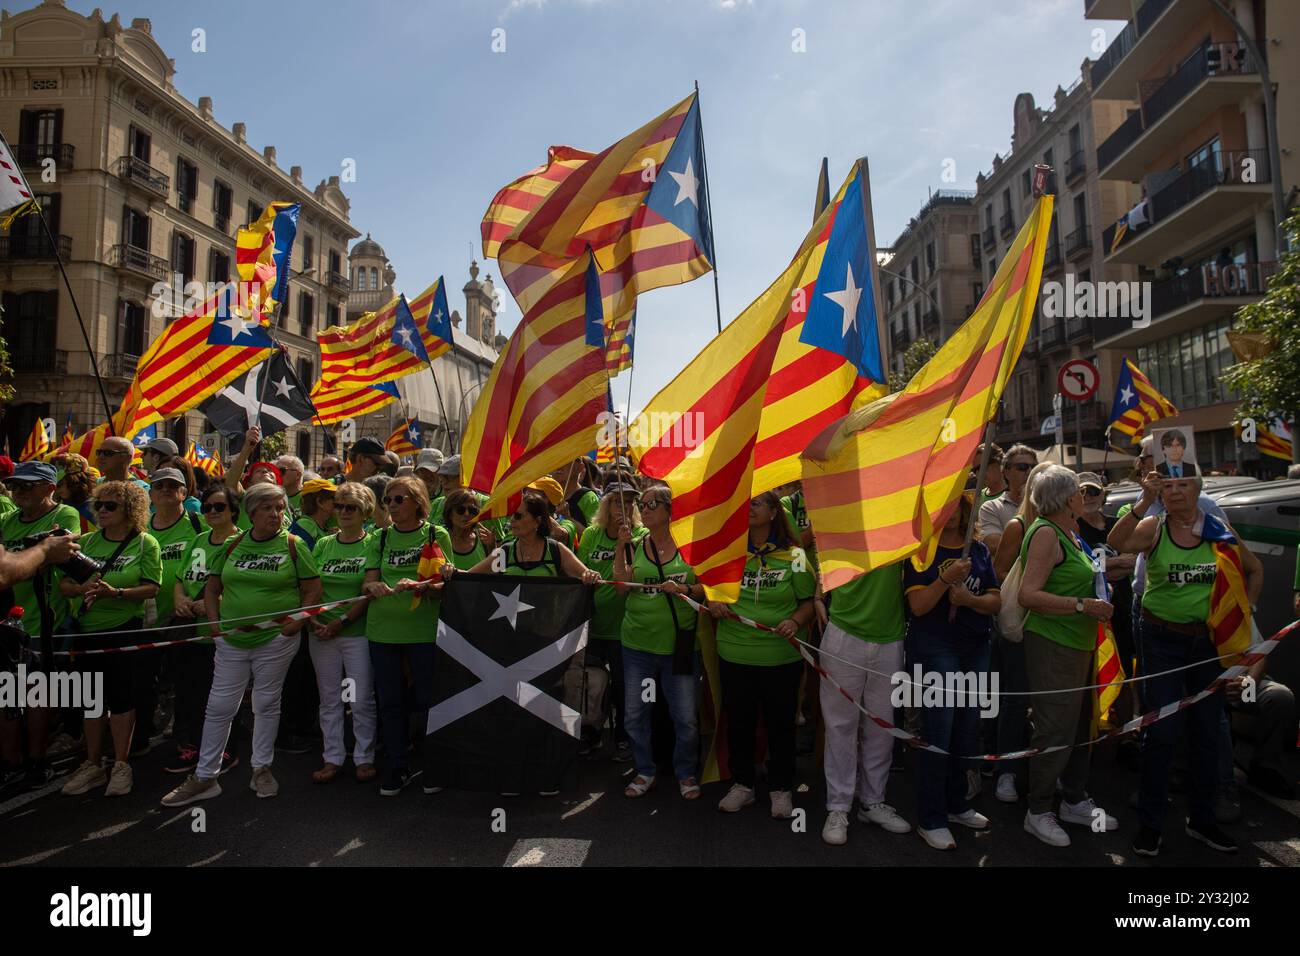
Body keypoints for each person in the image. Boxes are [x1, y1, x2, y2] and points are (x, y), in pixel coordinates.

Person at [1109, 467, 1263, 857]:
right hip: (1160, 641)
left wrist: (1244, 613)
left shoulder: (1218, 530)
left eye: (1183, 484)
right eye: (1169, 485)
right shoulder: (1154, 526)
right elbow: (1117, 541)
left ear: (1198, 490)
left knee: (1207, 734)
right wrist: (1144, 498)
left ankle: (1203, 820)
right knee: (1160, 733)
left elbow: (1253, 569)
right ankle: (1150, 825)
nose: (1175, 492)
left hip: (1206, 646)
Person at [160, 482, 321, 806]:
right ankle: (206, 776)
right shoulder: (232, 546)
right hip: (231, 640)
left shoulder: (293, 546)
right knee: (219, 706)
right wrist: (216, 625)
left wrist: (293, 626)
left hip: (275, 642)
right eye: (267, 508)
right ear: (251, 513)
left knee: (265, 704)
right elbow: (212, 586)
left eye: (279, 508)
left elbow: (313, 590)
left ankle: (261, 769)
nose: (275, 514)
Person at [1016, 464, 1118, 848]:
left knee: (1080, 727)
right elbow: (1028, 595)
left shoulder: (1070, 532)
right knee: (1054, 728)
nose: (1084, 494)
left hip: (1079, 644)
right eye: (1078, 490)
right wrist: (1082, 606)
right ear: (1066, 498)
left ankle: (1074, 798)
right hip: (1053, 643)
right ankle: (1038, 810)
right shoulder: (1045, 532)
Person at [708, 491, 815, 820]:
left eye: (755, 504)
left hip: (780, 658)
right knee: (739, 724)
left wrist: (795, 620)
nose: (748, 509)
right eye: (745, 504)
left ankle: (781, 788)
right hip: (735, 653)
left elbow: (810, 601)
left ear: (773, 512)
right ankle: (743, 784)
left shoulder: (795, 554)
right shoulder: (729, 553)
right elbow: (710, 591)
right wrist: (715, 601)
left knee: (781, 725)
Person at [903, 493, 1000, 850]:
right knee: (938, 731)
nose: (953, 513)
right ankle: (931, 818)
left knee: (967, 728)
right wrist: (945, 581)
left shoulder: (979, 551)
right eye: (945, 506)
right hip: (934, 649)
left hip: (975, 647)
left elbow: (996, 602)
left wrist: (970, 600)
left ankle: (958, 804)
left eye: (959, 505)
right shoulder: (921, 552)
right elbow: (917, 606)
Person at [57, 481, 161, 797]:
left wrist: (115, 593)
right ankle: (92, 763)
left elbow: (152, 588)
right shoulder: (86, 542)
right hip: (87, 631)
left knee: (120, 700)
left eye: (110, 506)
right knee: (92, 700)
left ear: (130, 509)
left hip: (123, 629)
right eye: (99, 505)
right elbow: (64, 584)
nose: (101, 511)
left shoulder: (145, 543)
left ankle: (120, 764)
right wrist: (79, 590)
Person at [362, 476, 452, 795]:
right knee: (390, 701)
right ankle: (398, 766)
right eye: (388, 500)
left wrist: (422, 586)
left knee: (428, 699)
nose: (392, 506)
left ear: (417, 501)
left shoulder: (435, 534)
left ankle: (432, 764)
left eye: (399, 499)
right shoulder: (380, 537)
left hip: (423, 631)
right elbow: (368, 582)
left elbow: (444, 587)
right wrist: (373, 586)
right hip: (383, 630)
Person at [818, 539, 909, 843]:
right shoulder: (843, 518)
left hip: (890, 637)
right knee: (840, 725)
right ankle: (839, 805)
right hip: (844, 633)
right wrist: (818, 596)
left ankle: (872, 801)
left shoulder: (900, 518)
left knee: (882, 727)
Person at [613, 483, 700, 798]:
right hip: (637, 644)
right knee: (635, 714)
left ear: (669, 510)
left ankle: (686, 772)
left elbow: (706, 589)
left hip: (679, 645)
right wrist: (619, 549)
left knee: (686, 716)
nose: (644, 509)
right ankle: (645, 769)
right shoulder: (635, 544)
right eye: (643, 504)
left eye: (651, 504)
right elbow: (621, 587)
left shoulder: (689, 545)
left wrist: (685, 590)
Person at [0, 462, 84, 788]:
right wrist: (39, 555)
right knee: (6, 699)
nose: (18, 492)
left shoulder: (65, 515)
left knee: (38, 697)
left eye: (27, 486)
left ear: (50, 489)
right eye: (14, 486)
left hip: (46, 622)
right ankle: (11, 763)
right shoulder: (5, 521)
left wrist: (33, 556)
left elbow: (62, 554)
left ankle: (36, 760)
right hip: (8, 624)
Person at [166, 483, 240, 776]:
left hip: (219, 635)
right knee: (188, 693)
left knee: (218, 698)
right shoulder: (198, 540)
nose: (211, 512)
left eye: (219, 507)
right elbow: (180, 578)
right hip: (189, 632)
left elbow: (241, 585)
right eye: (207, 506)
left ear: (233, 510)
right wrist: (181, 600)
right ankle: (191, 745)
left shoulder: (240, 541)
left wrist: (213, 604)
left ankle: (225, 748)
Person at [309, 481, 378, 784]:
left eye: (352, 507)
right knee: (329, 700)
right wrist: (313, 622)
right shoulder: (324, 544)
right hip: (321, 634)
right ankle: (332, 757)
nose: (344, 512)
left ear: (366, 512)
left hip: (356, 633)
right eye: (339, 506)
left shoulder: (372, 543)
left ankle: (364, 756)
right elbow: (312, 588)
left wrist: (342, 623)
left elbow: (367, 592)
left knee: (360, 699)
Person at [134, 467, 204, 755]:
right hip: (147, 618)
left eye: (172, 486)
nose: (165, 490)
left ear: (183, 494)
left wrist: (190, 599)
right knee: (145, 679)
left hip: (185, 617)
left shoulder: (198, 525)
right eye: (158, 485)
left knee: (183, 677)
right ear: (150, 494)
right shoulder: (140, 528)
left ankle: (181, 728)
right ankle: (145, 727)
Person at [578, 484, 646, 759]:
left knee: (623, 687)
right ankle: (591, 733)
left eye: (630, 503)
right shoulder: (592, 535)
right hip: (594, 626)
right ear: (606, 507)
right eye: (618, 503)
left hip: (624, 629)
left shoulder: (641, 535)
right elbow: (581, 572)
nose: (625, 508)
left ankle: (624, 737)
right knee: (591, 685)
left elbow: (631, 578)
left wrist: (624, 543)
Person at [459, 493, 600, 581]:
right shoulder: (505, 552)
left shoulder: (556, 550)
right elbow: (468, 577)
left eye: (519, 516)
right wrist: (451, 571)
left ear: (537, 521)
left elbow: (589, 576)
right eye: (512, 515)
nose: (512, 520)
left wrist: (591, 576)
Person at [441, 488, 491, 570]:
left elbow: (496, 572)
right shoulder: (440, 538)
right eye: (460, 510)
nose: (467, 514)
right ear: (450, 514)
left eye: (472, 510)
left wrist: (492, 547)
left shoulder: (484, 540)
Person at [289, 478, 336, 549]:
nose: (338, 501)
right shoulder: (306, 525)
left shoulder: (325, 524)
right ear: (320, 502)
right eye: (334, 498)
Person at [56, 454, 97, 533]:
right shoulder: (59, 505)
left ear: (75, 482)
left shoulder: (96, 507)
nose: (56, 490)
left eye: (59, 485)